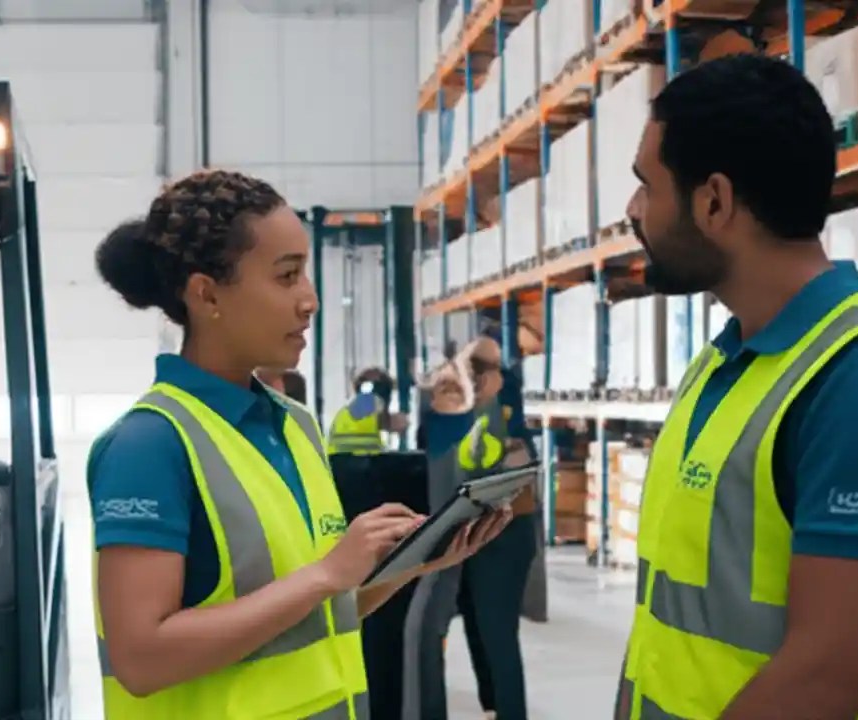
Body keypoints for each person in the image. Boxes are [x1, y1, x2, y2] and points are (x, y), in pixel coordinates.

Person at [87, 169, 514, 719]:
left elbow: (317, 617)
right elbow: (141, 659)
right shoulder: (149, 445)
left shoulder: (294, 425)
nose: (310, 300)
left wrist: (411, 563)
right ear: (207, 293)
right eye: (287, 277)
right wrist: (327, 573)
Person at [616, 53, 858, 719]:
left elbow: (833, 671)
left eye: (647, 186)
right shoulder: (722, 365)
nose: (633, 211)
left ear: (714, 201)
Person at [403, 336, 539, 720]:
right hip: (466, 532)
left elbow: (503, 462)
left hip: (503, 534)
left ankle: (508, 711)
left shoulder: (500, 403)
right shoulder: (450, 414)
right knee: (478, 631)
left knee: (496, 634)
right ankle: (492, 707)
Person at [327, 366, 409, 455]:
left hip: (339, 465)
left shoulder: (344, 414)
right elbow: (392, 423)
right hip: (361, 464)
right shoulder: (370, 401)